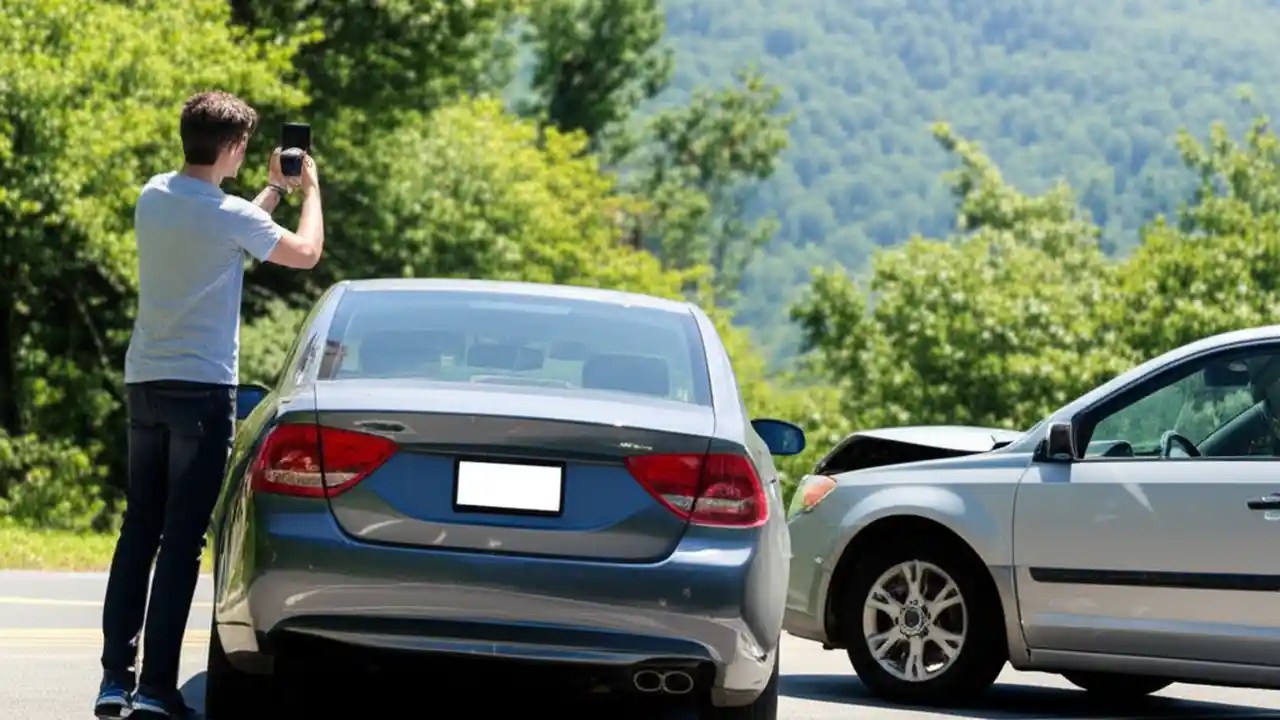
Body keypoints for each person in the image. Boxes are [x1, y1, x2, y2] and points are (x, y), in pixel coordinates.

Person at [94, 91, 325, 720]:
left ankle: (116, 679)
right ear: (234, 148)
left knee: (138, 528)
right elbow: (305, 254)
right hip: (201, 391)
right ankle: (157, 691)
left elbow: (226, 228)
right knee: (181, 542)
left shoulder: (154, 195)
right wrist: (308, 192)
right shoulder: (227, 217)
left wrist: (269, 194)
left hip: (145, 383)